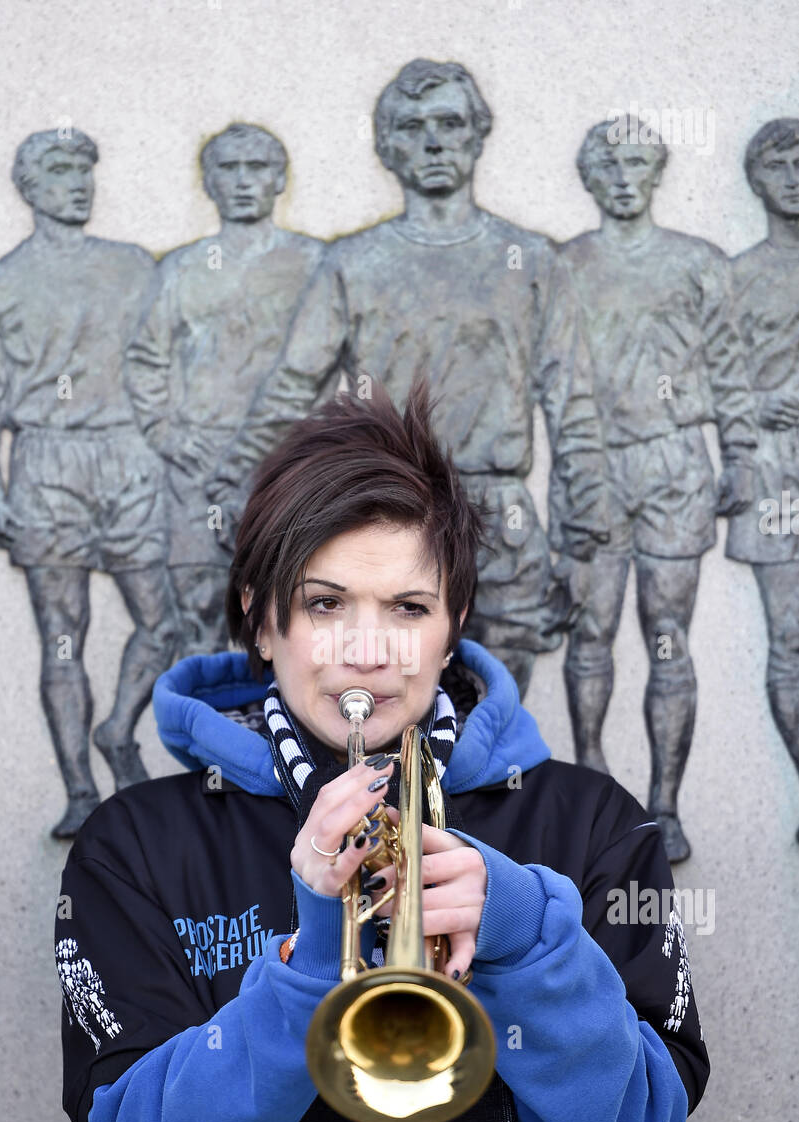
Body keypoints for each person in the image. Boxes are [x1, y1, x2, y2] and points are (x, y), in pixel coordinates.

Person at [57, 378, 708, 1122]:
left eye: (408, 609)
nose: (367, 651)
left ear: (453, 629)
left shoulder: (587, 822)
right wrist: (313, 960)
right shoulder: (137, 843)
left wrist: (522, 934)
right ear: (260, 615)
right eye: (325, 604)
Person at [205, 58, 611, 699]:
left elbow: (574, 409)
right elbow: (290, 389)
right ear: (388, 147)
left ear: (478, 135)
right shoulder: (353, 264)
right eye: (412, 126)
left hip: (498, 519)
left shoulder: (532, 261)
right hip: (385, 515)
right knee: (383, 715)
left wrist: (585, 538)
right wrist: (233, 487)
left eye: (450, 123)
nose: (432, 141)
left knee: (490, 725)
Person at [0, 128, 179, 838]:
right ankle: (81, 791)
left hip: (126, 458)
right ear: (29, 188)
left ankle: (117, 727)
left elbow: (166, 368)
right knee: (63, 636)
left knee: (162, 622)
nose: (79, 183)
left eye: (86, 170)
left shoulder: (134, 268)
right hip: (46, 467)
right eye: (60, 171)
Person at [560, 118, 758, 863]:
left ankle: (665, 804)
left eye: (635, 163)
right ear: (587, 177)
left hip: (676, 463)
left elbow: (731, 368)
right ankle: (587, 777)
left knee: (666, 634)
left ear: (655, 172)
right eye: (606, 165)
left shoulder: (698, 262)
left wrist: (737, 453)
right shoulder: (563, 265)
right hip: (593, 463)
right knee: (591, 630)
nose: (620, 177)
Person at [126, 123, 325, 657]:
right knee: (200, 617)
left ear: (279, 178)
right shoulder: (182, 268)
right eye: (228, 169)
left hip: (289, 461)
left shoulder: (316, 264)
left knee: (297, 616)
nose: (242, 181)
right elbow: (144, 358)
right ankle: (209, 739)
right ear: (208, 182)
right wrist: (166, 434)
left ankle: (283, 741)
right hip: (196, 466)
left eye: (256, 167)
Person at [727, 118, 799, 842]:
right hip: (780, 478)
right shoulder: (739, 275)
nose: (793, 177)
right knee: (789, 638)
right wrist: (756, 404)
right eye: (779, 166)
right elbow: (710, 378)